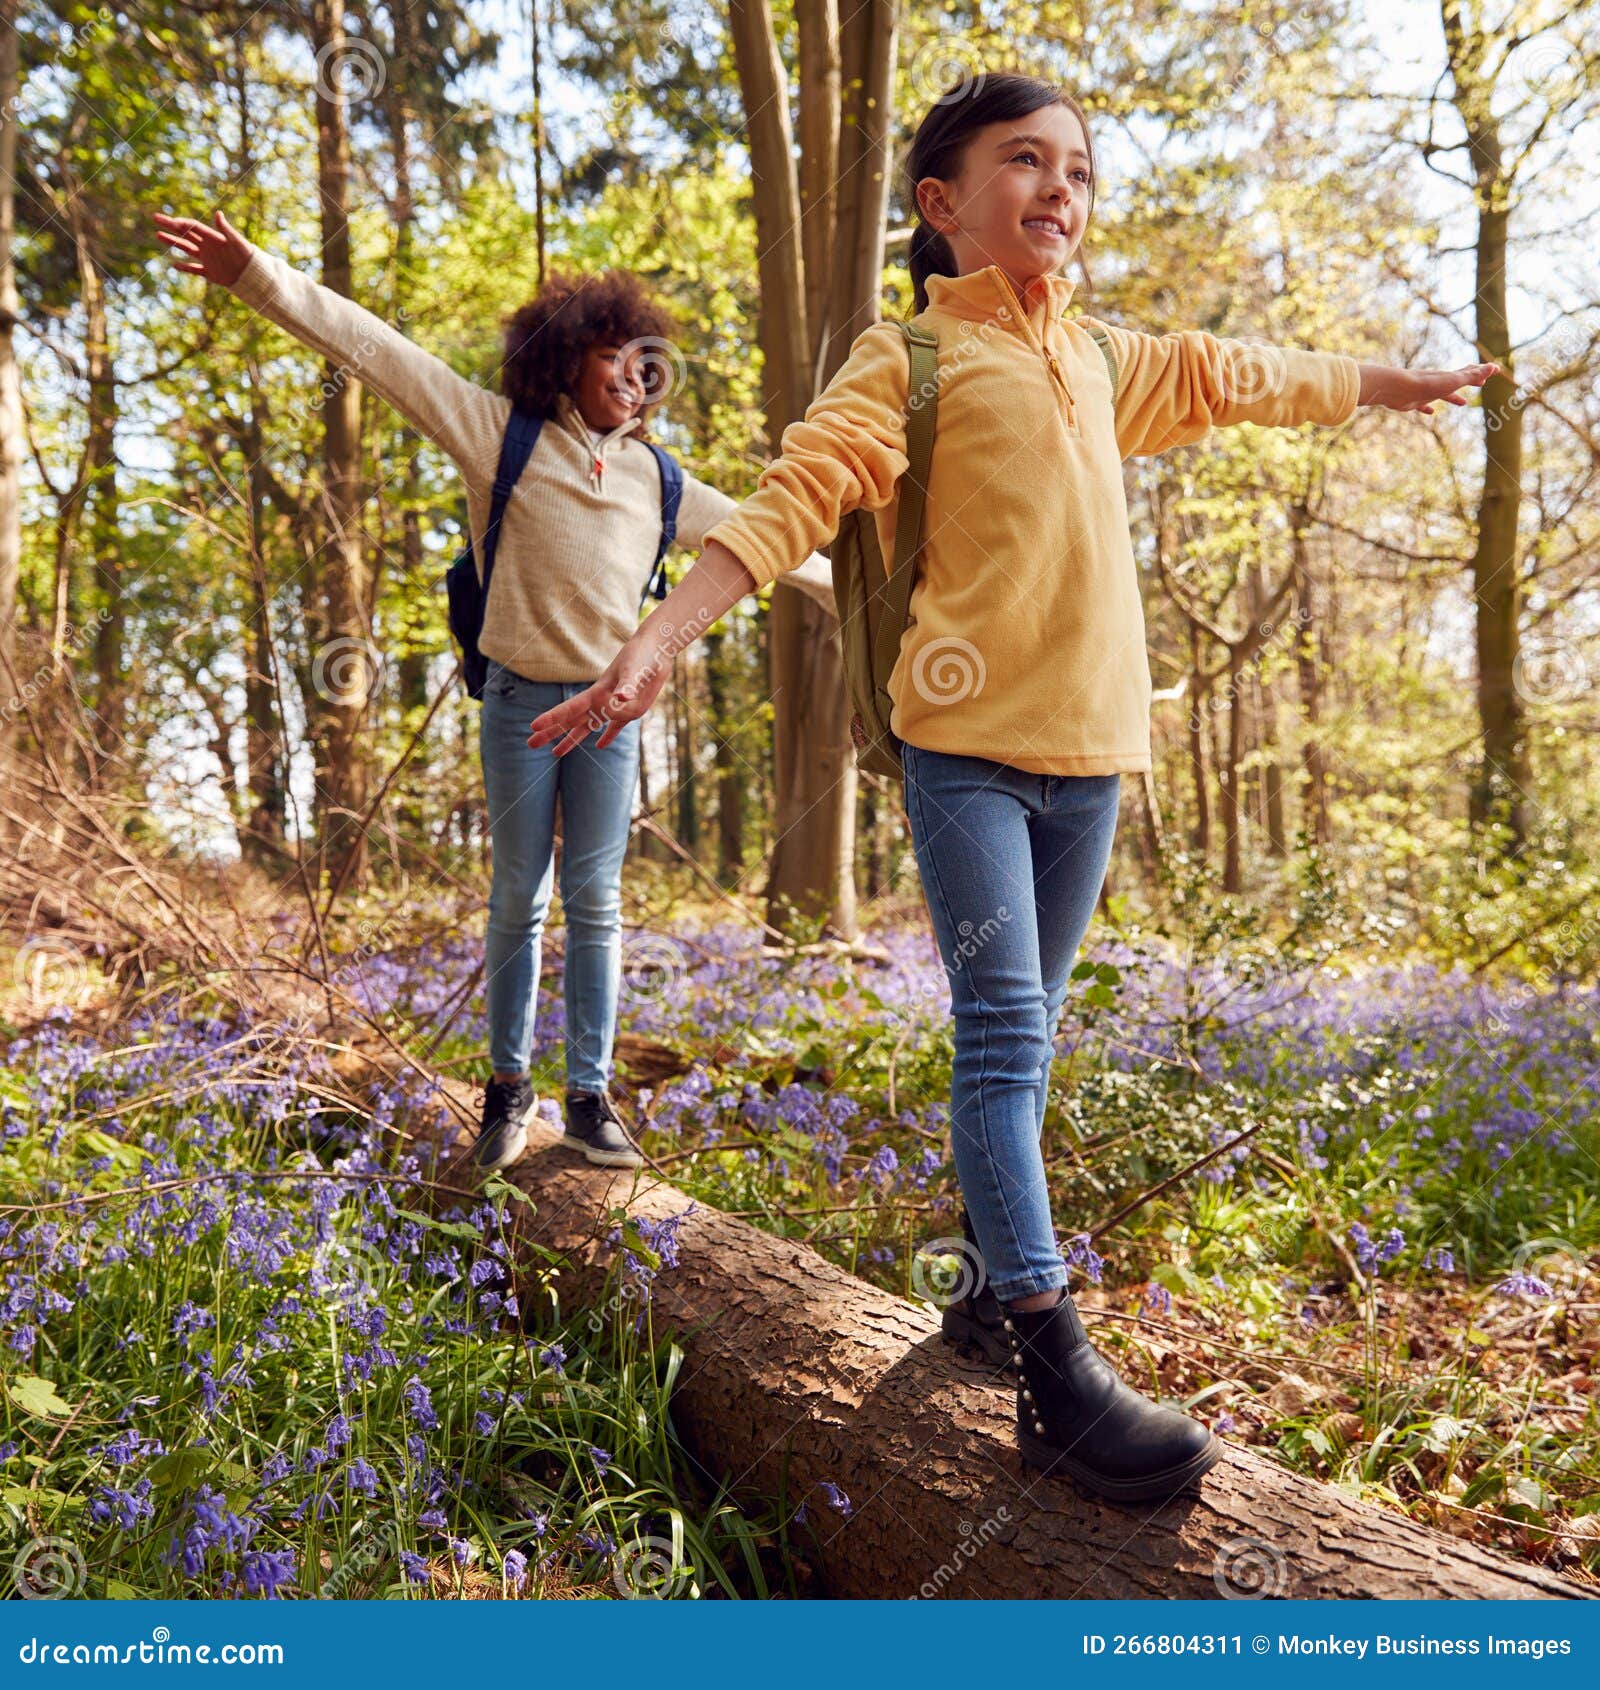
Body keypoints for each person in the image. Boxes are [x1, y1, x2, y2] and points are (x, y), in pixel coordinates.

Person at [522, 72, 1497, 1499]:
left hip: (1095, 758)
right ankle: (1053, 1366)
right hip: (964, 754)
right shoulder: (909, 358)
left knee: (1031, 1034)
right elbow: (795, 492)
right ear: (943, 202)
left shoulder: (1104, 358)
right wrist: (656, 642)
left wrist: (1396, 385)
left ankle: (980, 1292)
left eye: (1080, 170)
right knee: (1001, 1037)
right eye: (1026, 162)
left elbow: (1243, 373)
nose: (1061, 188)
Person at [151, 209, 838, 1177]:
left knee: (595, 903)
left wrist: (899, 588)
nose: (635, 376)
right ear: (563, 364)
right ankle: (507, 1090)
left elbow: (783, 544)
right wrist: (255, 273)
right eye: (613, 356)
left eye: (646, 362)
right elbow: (377, 351)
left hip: (607, 718)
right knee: (519, 897)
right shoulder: (498, 437)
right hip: (519, 706)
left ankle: (591, 1100)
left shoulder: (661, 480)